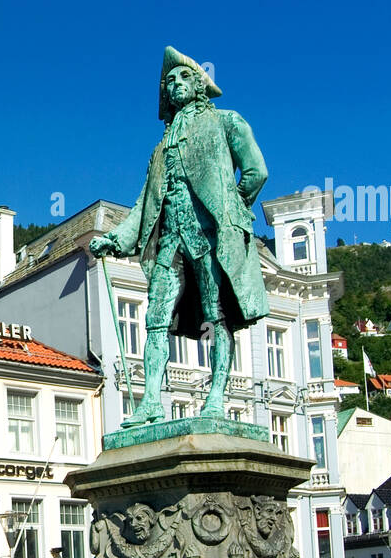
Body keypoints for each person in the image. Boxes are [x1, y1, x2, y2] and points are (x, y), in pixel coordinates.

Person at [88, 46, 269, 424]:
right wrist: (116, 237)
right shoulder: (160, 150)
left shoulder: (226, 122)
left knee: (216, 317)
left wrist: (233, 209)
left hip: (210, 238)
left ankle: (216, 398)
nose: (173, 85)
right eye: (168, 81)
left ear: (200, 85)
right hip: (170, 241)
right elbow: (144, 205)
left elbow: (255, 171)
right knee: (156, 317)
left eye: (183, 77)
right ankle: (151, 402)